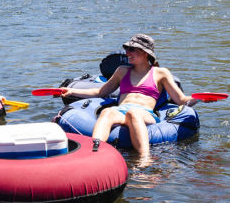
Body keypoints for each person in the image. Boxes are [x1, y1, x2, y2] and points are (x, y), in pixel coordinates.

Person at [58, 33, 196, 159]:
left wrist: (201, 98)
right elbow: (100, 92)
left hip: (144, 113)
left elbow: (181, 100)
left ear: (145, 53)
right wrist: (71, 92)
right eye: (127, 49)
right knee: (107, 112)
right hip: (120, 111)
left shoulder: (161, 73)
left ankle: (144, 159)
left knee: (133, 113)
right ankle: (95, 151)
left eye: (132, 49)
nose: (127, 52)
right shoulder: (122, 71)